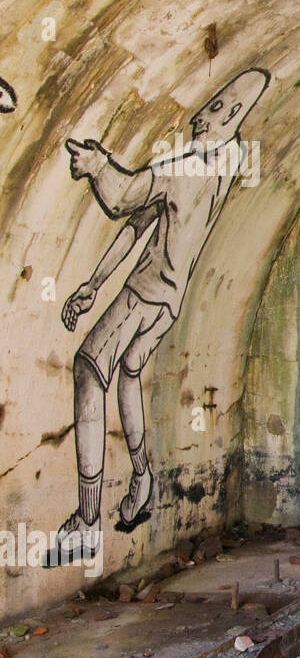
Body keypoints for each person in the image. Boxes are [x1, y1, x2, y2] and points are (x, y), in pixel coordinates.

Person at [45, 68, 270, 566]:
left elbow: (125, 196)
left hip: (145, 292)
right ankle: (143, 480)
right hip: (169, 301)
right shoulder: (226, 163)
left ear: (233, 115)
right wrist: (92, 284)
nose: (197, 115)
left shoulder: (188, 165)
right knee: (128, 374)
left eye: (213, 108)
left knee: (88, 368)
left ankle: (86, 521)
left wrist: (97, 164)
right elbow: (138, 225)